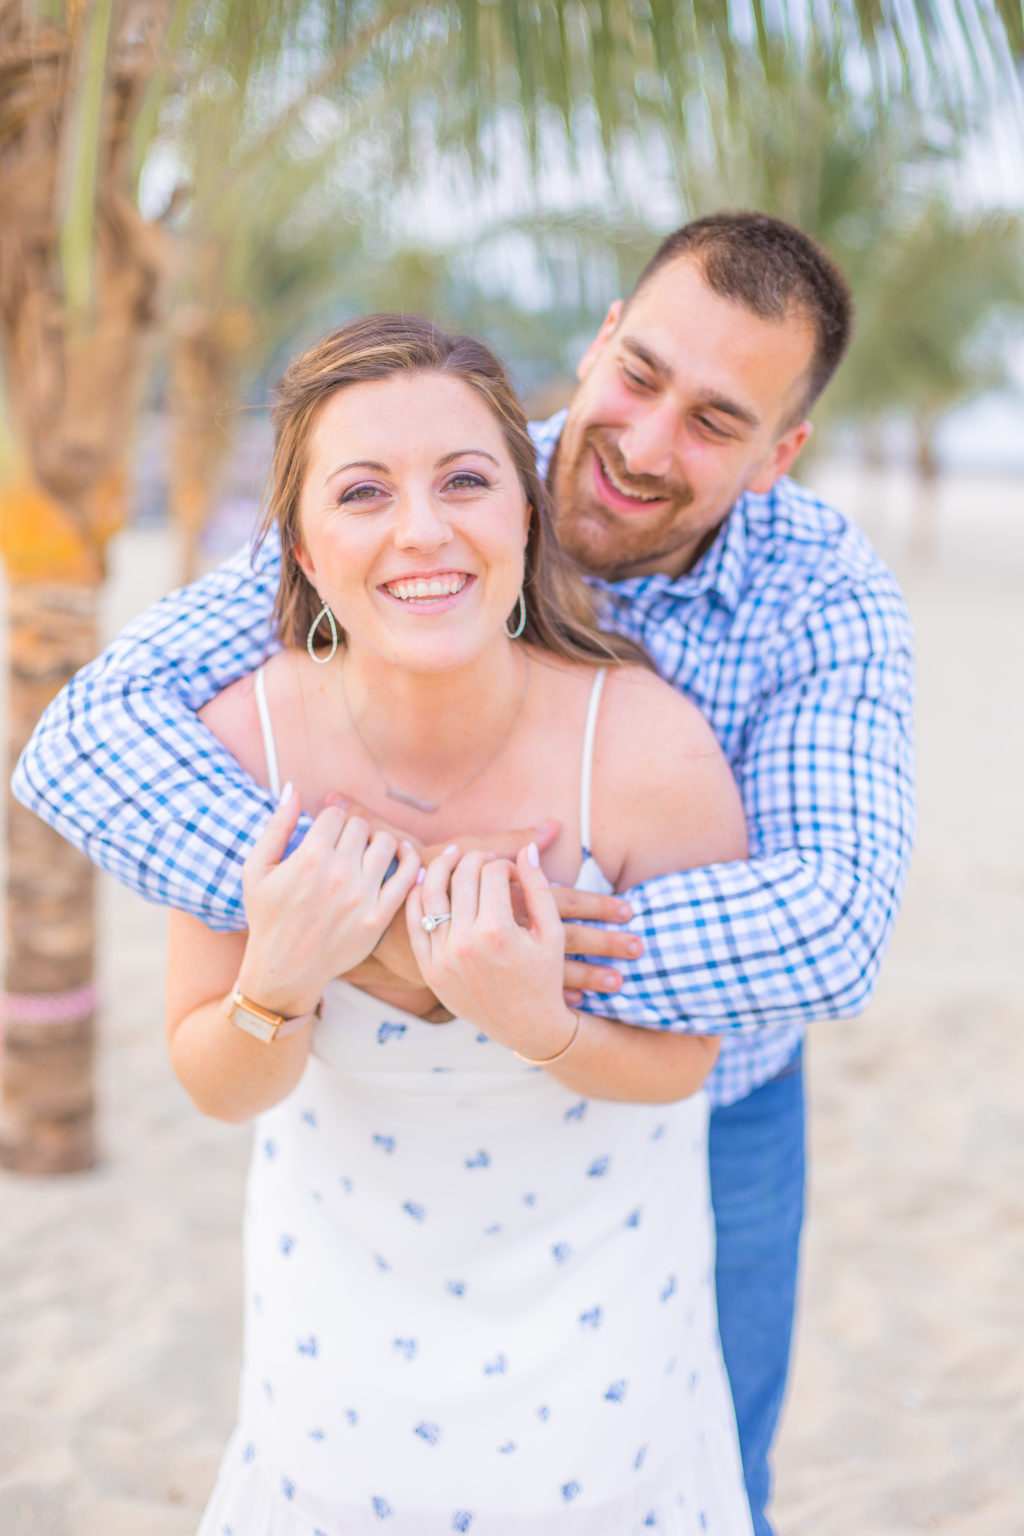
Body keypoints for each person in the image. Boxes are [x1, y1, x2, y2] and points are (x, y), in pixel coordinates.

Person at [13, 211, 916, 1535]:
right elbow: (88, 738)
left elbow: (833, 926)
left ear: (781, 455)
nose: (648, 443)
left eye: (717, 423)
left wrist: (509, 960)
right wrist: (375, 933)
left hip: (712, 1107)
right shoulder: (434, 481)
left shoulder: (820, 592)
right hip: (370, 1166)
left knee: (717, 1468)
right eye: (643, 376)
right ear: (601, 342)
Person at [168, 312, 752, 1533]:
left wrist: (535, 1024)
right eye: (364, 491)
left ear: (525, 516)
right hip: (335, 1345)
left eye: (466, 480)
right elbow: (217, 1084)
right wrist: (275, 983)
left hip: (600, 1344)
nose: (421, 531)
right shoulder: (241, 745)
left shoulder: (645, 749)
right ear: (307, 546)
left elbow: (685, 1066)